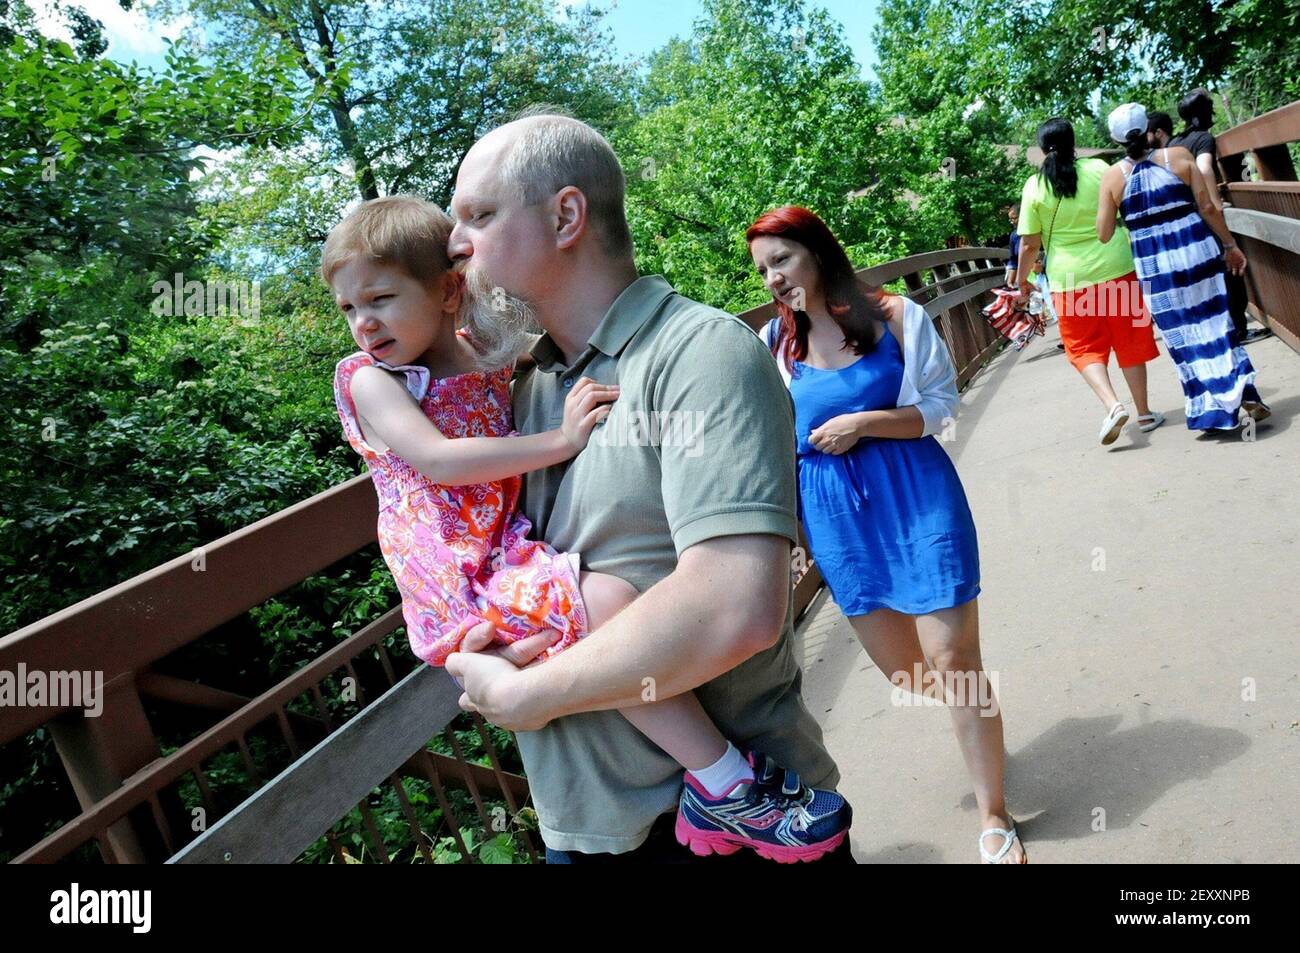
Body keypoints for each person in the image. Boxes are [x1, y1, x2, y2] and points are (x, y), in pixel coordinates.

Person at [324, 193, 851, 863]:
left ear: (449, 290)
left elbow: (535, 344)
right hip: (460, 575)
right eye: (349, 308)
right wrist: (561, 440)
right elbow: (439, 459)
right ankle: (726, 783)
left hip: (497, 551)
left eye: (380, 299)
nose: (363, 323)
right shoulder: (376, 381)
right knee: (604, 604)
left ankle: (722, 785)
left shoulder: (490, 357)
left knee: (602, 609)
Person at [747, 206, 1026, 864]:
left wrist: (864, 423)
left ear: (817, 251)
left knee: (952, 661)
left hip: (916, 492)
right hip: (835, 517)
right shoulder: (770, 345)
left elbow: (939, 404)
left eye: (782, 259)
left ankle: (994, 814)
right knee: (907, 669)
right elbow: (771, 444)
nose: (772, 278)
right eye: (762, 269)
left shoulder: (895, 317)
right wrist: (787, 532)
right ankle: (979, 715)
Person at [1098, 103, 1270, 430]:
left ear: (1116, 139)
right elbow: (1206, 206)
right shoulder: (1178, 157)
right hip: (1196, 250)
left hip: (1155, 266)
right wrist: (1230, 245)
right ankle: (1244, 390)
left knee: (1183, 336)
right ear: (1148, 128)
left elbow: (1104, 233)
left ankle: (1213, 412)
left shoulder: (1112, 177)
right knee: (1215, 322)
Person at [1014, 117, 1163, 444]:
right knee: (1129, 339)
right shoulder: (1099, 169)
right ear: (1073, 140)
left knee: (1083, 348)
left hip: (1069, 278)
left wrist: (1021, 281)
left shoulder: (1034, 186)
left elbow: (1029, 243)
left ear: (1041, 149)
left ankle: (1112, 406)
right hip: (1116, 265)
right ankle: (1145, 413)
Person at [1168, 88, 1270, 346]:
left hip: (1182, 220)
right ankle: (1239, 330)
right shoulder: (1203, 139)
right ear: (1203, 113)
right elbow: (1204, 168)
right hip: (1204, 215)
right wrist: (1215, 205)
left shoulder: (1173, 145)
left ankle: (1219, 331)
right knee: (1231, 268)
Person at [1004, 204, 1022, 287]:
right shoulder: (1014, 235)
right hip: (1020, 276)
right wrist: (1010, 281)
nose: (1012, 222)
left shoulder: (1036, 232)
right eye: (1010, 219)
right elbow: (1013, 259)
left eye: (1015, 218)